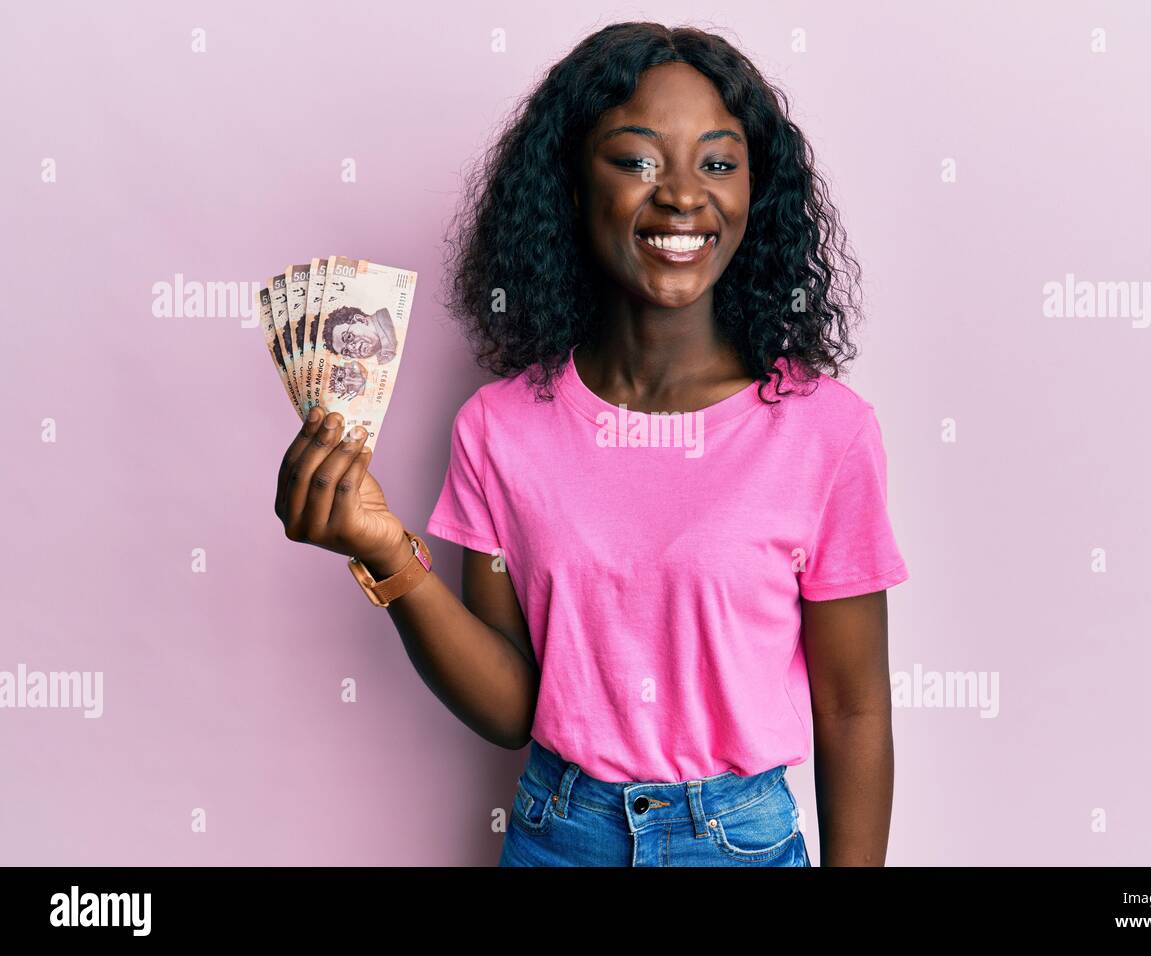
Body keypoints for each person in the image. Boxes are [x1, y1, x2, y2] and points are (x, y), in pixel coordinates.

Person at [274, 21, 909, 867]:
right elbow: (511, 710)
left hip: (741, 843)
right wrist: (387, 555)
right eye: (637, 159)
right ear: (572, 187)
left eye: (717, 162)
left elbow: (854, 707)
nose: (683, 195)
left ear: (757, 192)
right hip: (555, 836)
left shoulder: (824, 430)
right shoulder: (499, 428)